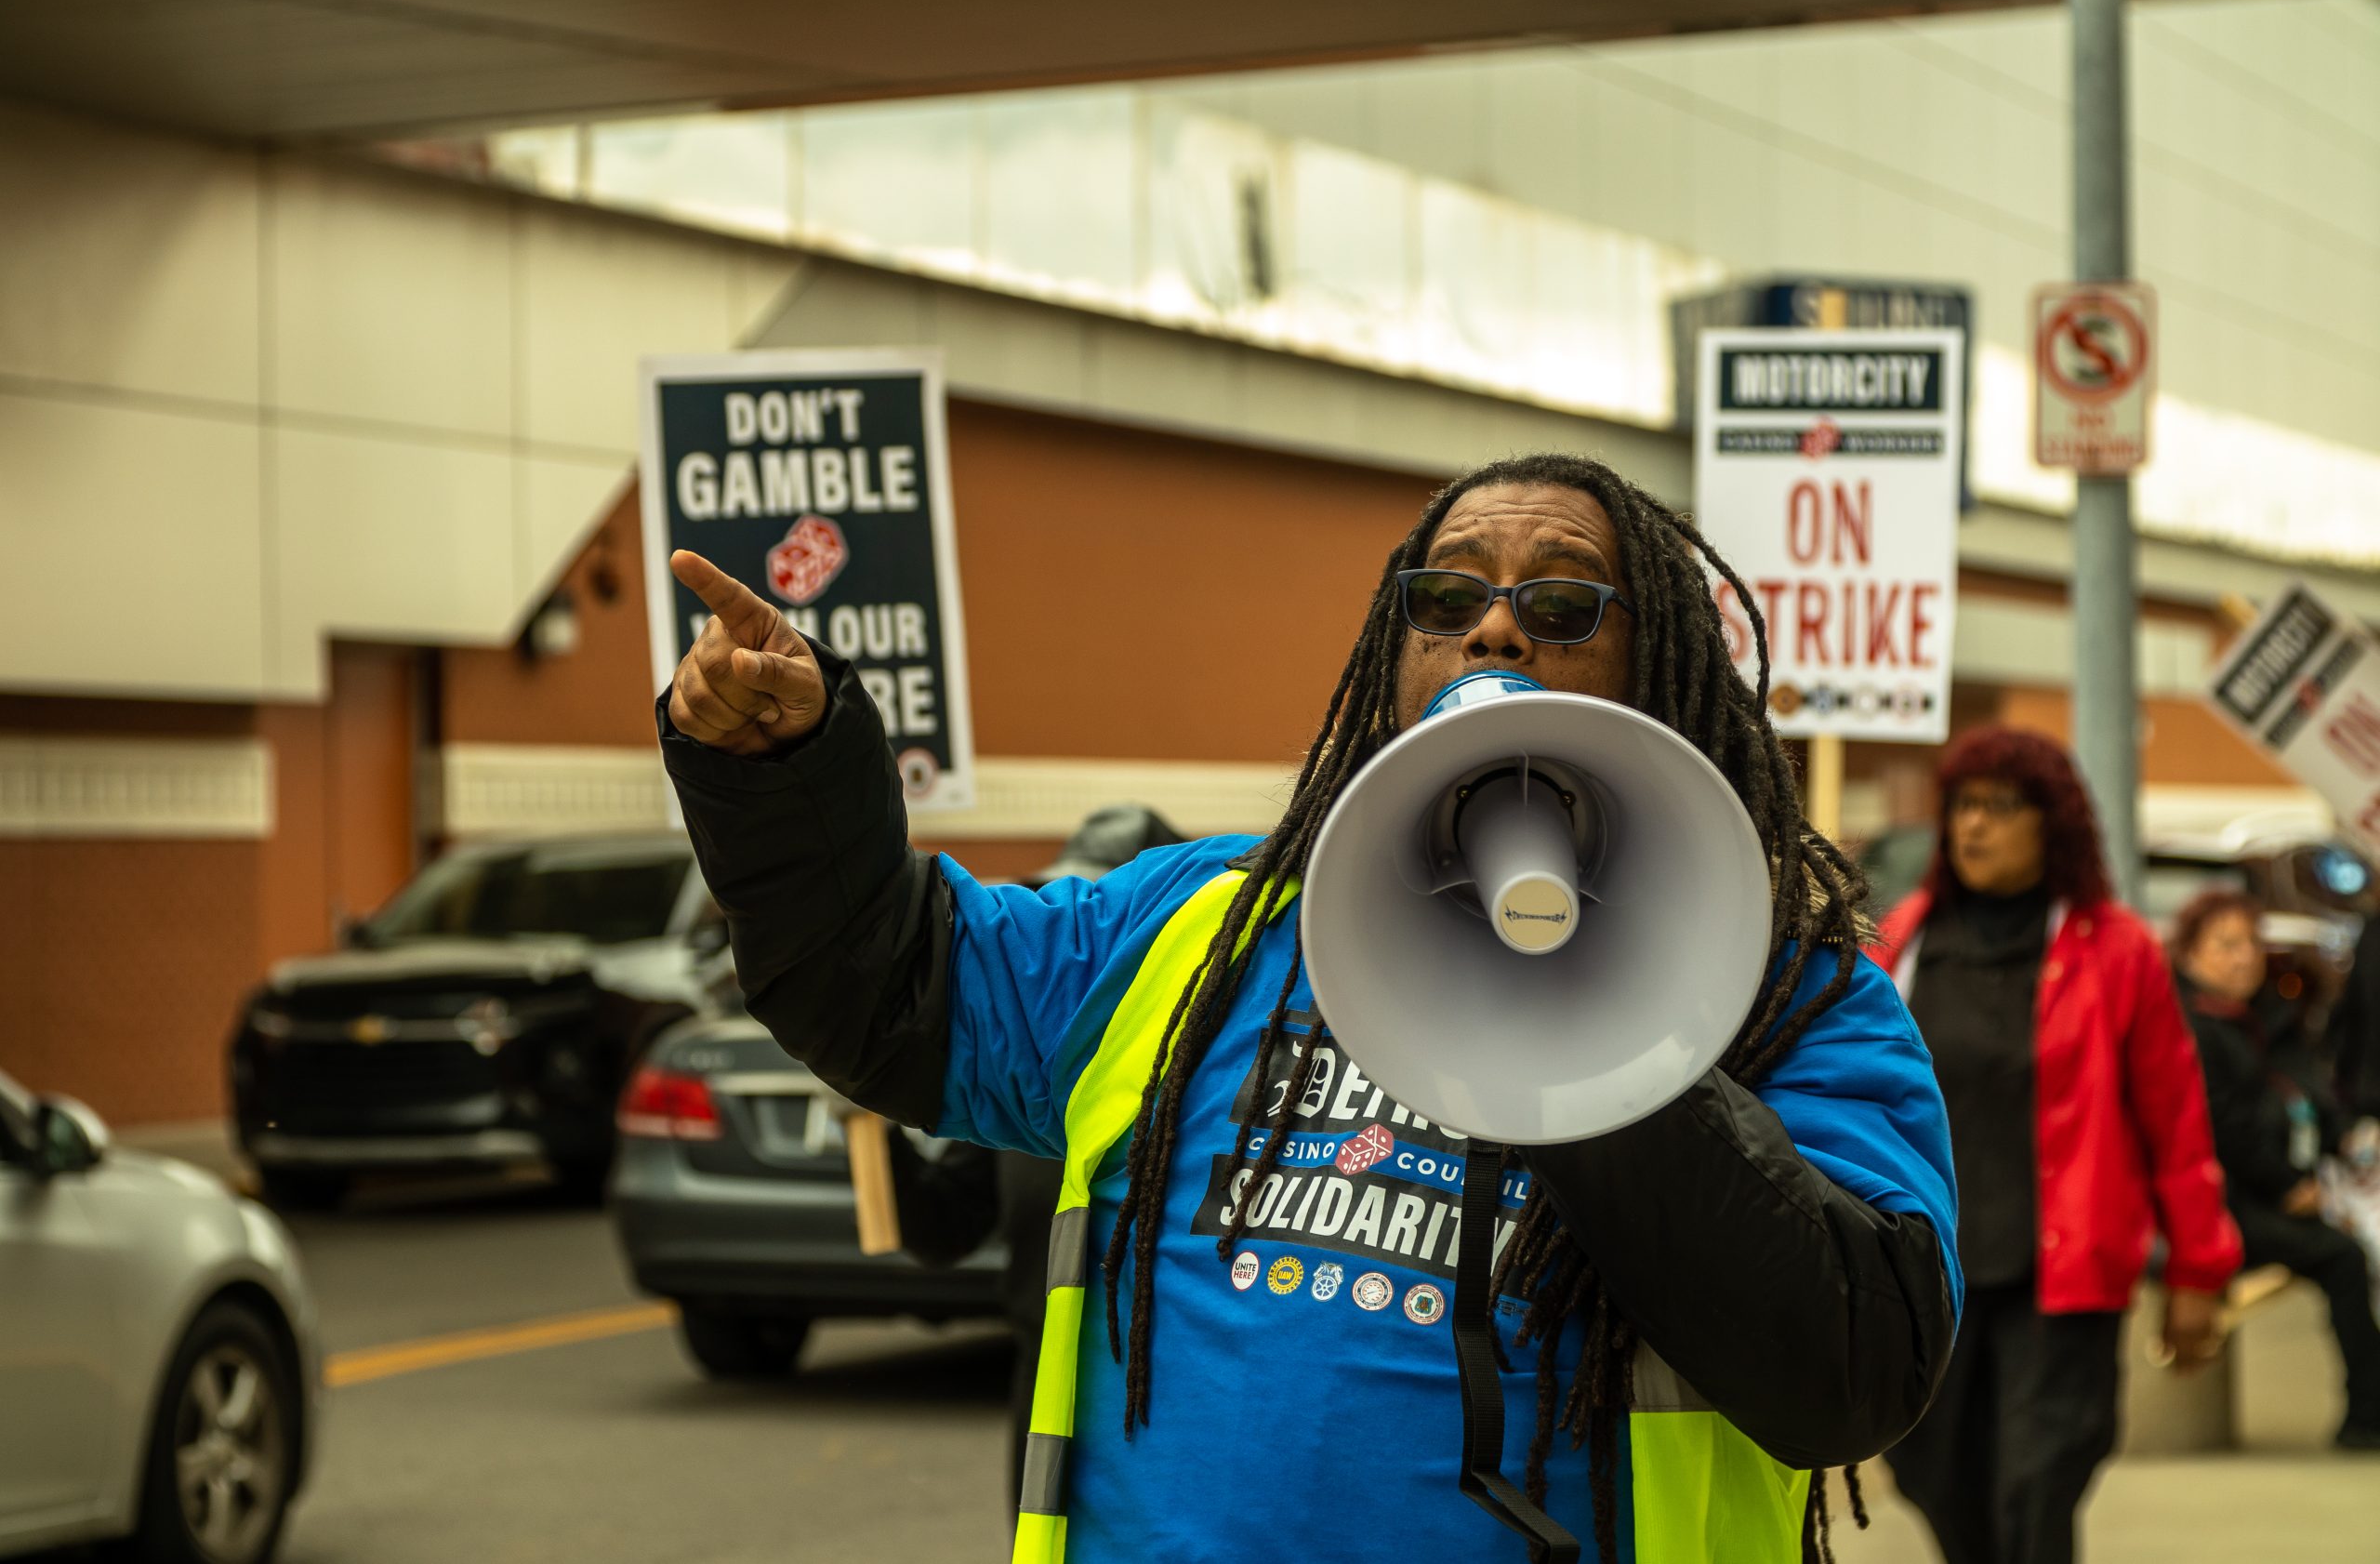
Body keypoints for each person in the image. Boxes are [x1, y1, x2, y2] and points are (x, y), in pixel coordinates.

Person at [658, 452, 1963, 1563]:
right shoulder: (1197, 926)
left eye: (1562, 601)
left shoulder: (1792, 999)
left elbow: (1856, 1360)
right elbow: (891, 983)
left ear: (1662, 668)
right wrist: (788, 769)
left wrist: (1583, 1009)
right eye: (1446, 594)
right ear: (1396, 651)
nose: (1494, 629)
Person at [1871, 727, 2241, 1564]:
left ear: (2054, 824)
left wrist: (2197, 1270)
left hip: (2062, 1276)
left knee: (2035, 1488)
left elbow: (2176, 1121)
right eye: (1962, 806)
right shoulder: (1905, 939)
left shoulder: (2117, 950)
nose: (1971, 827)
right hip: (1935, 1272)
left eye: (1999, 807)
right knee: (1931, 1469)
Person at [887, 807, 1193, 1507]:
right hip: (1046, 1410)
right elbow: (944, 1230)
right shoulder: (1036, 1076)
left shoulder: (1212, 1079)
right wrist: (881, 1137)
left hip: (1166, 1409)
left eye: (1107, 920)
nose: (1082, 946)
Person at [2171, 887, 2380, 1449]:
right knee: (2342, 1259)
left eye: (2251, 945)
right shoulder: (2190, 1026)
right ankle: (2368, 1414)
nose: (2244, 958)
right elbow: (2221, 1128)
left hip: (2291, 1187)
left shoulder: (2262, 1018)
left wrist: (2346, 1141)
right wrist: (2289, 1187)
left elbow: (2310, 1094)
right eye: (2226, 945)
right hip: (2223, 1204)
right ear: (2189, 954)